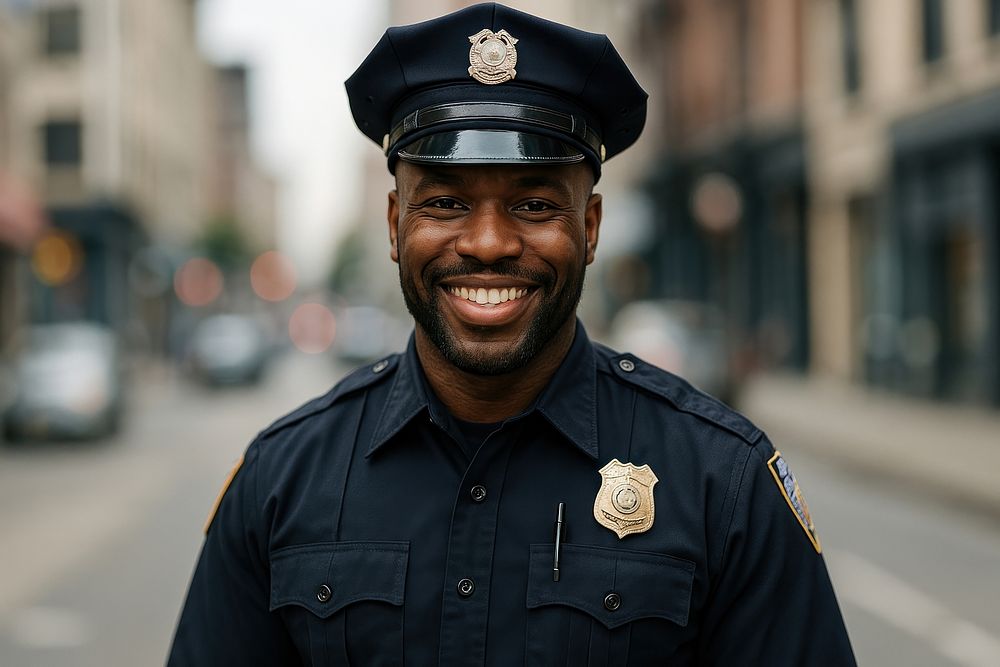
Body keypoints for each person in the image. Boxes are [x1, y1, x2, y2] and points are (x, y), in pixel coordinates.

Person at [168, 3, 856, 665]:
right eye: (444, 201)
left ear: (588, 229)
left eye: (533, 203)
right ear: (392, 224)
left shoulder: (722, 483)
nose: (489, 242)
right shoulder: (280, 480)